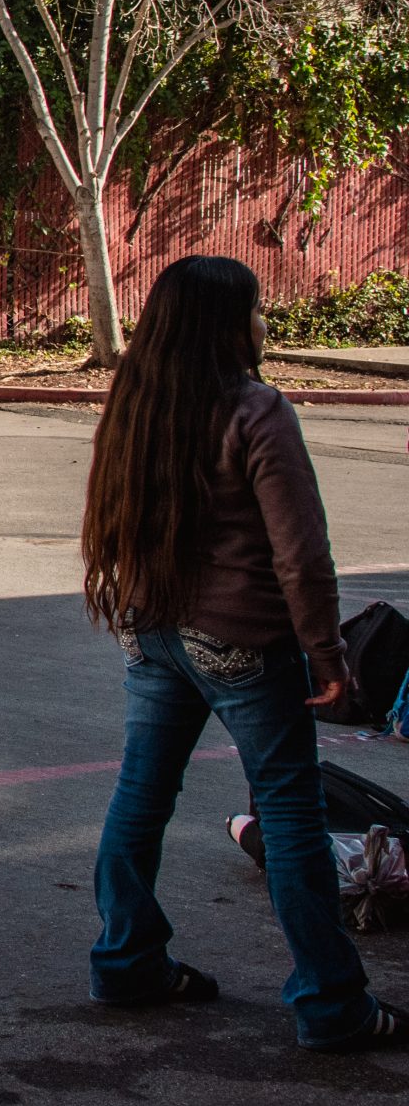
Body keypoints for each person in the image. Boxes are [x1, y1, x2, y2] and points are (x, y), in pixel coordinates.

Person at [82, 254, 405, 1052]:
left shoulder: (137, 401)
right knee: (291, 813)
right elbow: (302, 555)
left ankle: (126, 960)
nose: (264, 324)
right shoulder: (257, 410)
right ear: (225, 326)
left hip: (152, 627)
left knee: (140, 795)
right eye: (257, 311)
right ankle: (332, 1002)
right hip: (243, 644)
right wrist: (328, 654)